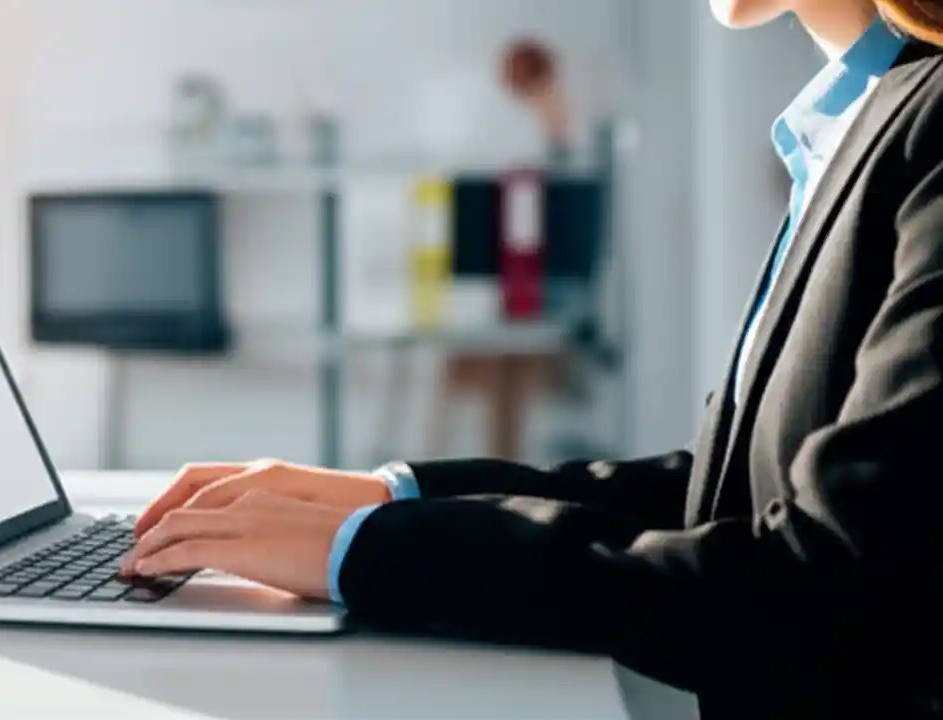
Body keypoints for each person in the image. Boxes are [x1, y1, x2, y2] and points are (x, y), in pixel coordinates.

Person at [122, 1, 943, 716]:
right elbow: (732, 497)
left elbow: (827, 584)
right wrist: (392, 495)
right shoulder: (871, 116)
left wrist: (367, 550)